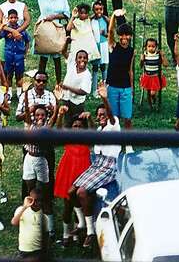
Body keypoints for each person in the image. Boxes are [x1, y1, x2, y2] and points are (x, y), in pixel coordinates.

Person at [69, 85, 121, 248]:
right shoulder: (99, 129)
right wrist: (90, 119)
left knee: (82, 192)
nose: (101, 117)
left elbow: (111, 116)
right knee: (71, 191)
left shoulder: (114, 125)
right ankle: (82, 224)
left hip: (109, 166)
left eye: (103, 114)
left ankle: (91, 232)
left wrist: (105, 99)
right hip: (97, 164)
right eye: (99, 115)